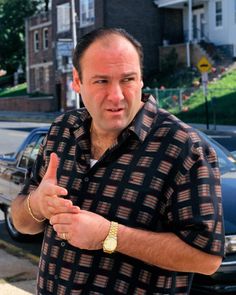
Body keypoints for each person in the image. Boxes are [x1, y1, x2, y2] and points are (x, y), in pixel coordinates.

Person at [11, 28, 224, 295]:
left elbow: (207, 259)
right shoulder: (62, 130)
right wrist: (37, 204)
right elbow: (21, 222)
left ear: (142, 78)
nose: (116, 96)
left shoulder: (185, 148)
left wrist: (109, 235)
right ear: (77, 81)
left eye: (127, 79)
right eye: (101, 81)